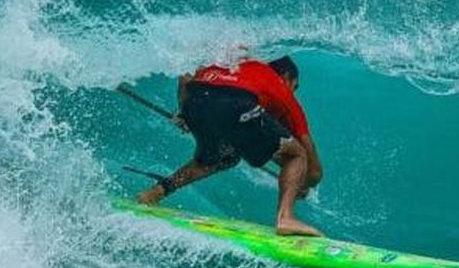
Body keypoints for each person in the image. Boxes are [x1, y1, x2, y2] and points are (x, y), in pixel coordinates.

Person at [136, 55, 324, 237]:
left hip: (196, 98)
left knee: (220, 158)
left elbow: (186, 76)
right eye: (295, 86)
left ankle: (153, 194)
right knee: (296, 156)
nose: (293, 92)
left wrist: (184, 112)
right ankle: (285, 218)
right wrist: (301, 183)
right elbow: (314, 171)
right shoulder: (280, 89)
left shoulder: (228, 64)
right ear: (285, 77)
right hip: (237, 103)